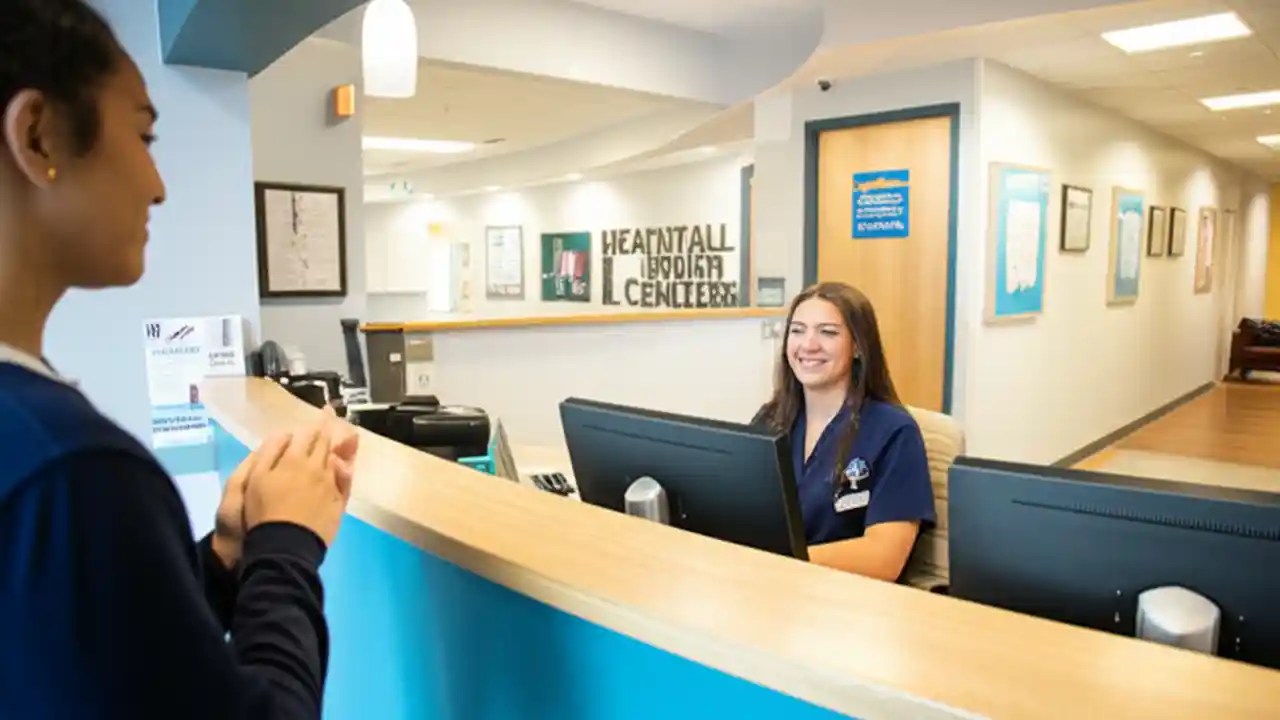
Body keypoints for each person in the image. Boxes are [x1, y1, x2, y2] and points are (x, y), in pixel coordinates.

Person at [0, 1, 357, 717]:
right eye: (143, 134)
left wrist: (222, 561)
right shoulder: (72, 470)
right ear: (38, 135)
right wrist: (288, 546)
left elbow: (77, 658)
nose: (158, 185)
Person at [754, 282, 935, 582]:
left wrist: (781, 561)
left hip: (846, 604)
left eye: (828, 332)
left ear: (858, 347)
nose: (808, 344)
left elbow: (883, 558)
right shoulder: (771, 419)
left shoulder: (893, 432)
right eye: (797, 330)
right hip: (770, 586)